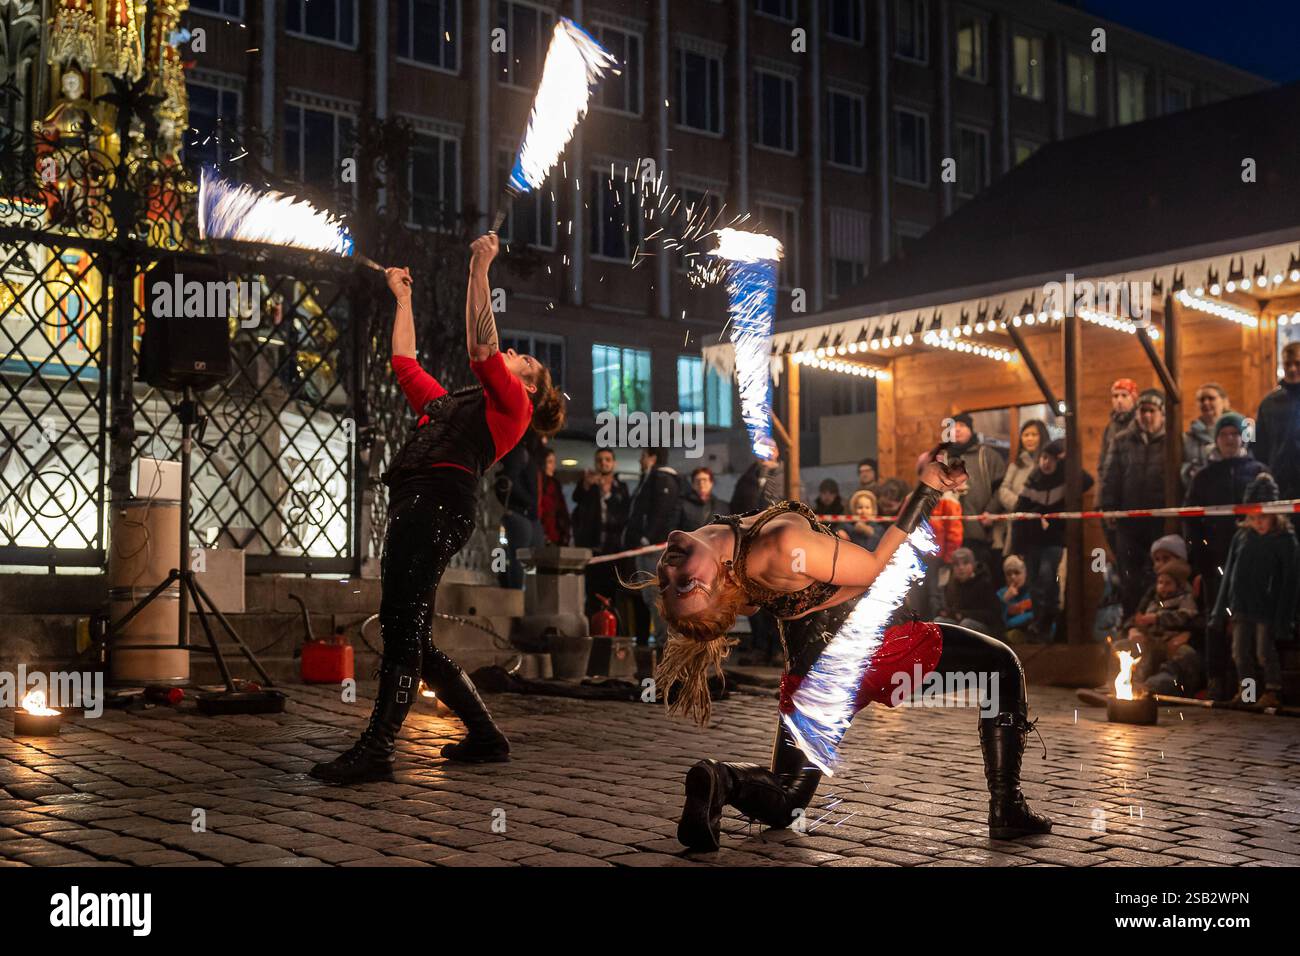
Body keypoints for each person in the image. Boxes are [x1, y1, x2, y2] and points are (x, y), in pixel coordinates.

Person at [640, 450, 1051, 850]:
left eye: (668, 583)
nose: (671, 569)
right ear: (724, 578)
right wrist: (927, 491)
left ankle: (721, 780)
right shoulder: (778, 546)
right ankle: (1008, 808)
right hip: (870, 652)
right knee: (1002, 666)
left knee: (787, 800)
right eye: (687, 585)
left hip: (815, 676)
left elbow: (781, 592)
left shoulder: (725, 542)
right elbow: (873, 566)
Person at [312, 234, 565, 783]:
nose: (515, 353)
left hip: (436, 506)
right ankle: (484, 735)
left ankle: (377, 749)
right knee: (415, 635)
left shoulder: (514, 406)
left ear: (530, 386)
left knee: (403, 629)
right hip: (417, 503)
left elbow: (482, 348)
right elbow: (404, 363)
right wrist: (402, 298)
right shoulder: (456, 402)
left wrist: (480, 265)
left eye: (526, 359)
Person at [1182, 412, 1266, 699]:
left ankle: (1253, 686)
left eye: (1234, 434)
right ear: (1216, 439)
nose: (1230, 439)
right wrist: (1198, 561)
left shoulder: (1257, 472)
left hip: (1251, 561)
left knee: (1252, 621)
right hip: (1214, 560)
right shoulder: (1203, 477)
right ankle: (1216, 680)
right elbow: (1191, 520)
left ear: (1242, 437)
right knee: (1215, 621)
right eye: (1224, 434)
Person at [1211, 473, 1298, 708]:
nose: (1259, 521)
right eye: (1254, 516)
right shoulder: (1242, 537)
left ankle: (1272, 691)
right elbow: (1229, 573)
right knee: (1240, 652)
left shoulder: (1284, 540)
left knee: (1263, 651)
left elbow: (1291, 580)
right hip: (1242, 604)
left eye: (1264, 517)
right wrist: (1219, 612)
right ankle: (1247, 693)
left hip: (1266, 608)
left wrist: (1285, 617)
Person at [1012, 439, 1094, 641]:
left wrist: (1067, 462)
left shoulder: (1065, 477)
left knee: (1048, 577)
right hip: (1033, 540)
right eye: (1043, 457)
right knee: (1033, 583)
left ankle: (1051, 620)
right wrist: (1018, 545)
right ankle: (1040, 623)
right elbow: (1018, 513)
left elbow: (1087, 480)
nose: (1046, 462)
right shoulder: (1033, 479)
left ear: (1058, 461)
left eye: (1051, 458)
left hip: (1055, 540)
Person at [1101, 388, 1169, 616]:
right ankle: (1131, 622)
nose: (1147, 416)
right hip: (1128, 522)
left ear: (1161, 413)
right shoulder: (1121, 440)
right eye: (1143, 411)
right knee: (1129, 575)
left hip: (1160, 522)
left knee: (1160, 574)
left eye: (1152, 411)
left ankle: (1157, 623)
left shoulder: (1173, 440)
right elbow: (1110, 476)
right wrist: (1108, 507)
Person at [1116, 559, 1203, 697]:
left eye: (1168, 583)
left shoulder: (1185, 599)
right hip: (1151, 641)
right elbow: (1137, 618)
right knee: (1123, 647)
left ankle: (1152, 688)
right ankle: (1121, 685)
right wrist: (1134, 628)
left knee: (1184, 657)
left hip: (1173, 640)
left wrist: (1158, 618)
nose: (1163, 587)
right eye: (1160, 583)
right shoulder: (1153, 600)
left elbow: (1185, 617)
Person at [624, 447, 684, 644]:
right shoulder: (651, 479)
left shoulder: (661, 479)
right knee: (650, 597)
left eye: (643, 456)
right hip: (647, 547)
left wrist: (647, 538)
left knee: (656, 596)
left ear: (652, 457)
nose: (640, 460)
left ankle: (664, 644)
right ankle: (662, 641)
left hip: (652, 549)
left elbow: (660, 511)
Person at [945, 412, 1007, 584]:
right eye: (953, 427)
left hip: (981, 531)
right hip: (950, 532)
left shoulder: (988, 455)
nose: (957, 430)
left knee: (982, 576)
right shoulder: (943, 458)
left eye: (962, 426)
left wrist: (990, 512)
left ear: (971, 430)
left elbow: (1001, 488)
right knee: (953, 580)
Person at [572, 448, 630, 616]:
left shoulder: (621, 487)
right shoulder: (588, 483)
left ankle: (611, 631)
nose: (603, 463)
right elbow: (576, 498)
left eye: (607, 459)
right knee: (592, 591)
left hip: (615, 548)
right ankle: (592, 628)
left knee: (613, 592)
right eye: (600, 460)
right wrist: (586, 484)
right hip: (594, 546)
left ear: (614, 463)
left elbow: (626, 511)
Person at [993, 419, 1050, 557]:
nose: (1029, 438)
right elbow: (1003, 490)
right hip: (1017, 527)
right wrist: (1020, 505)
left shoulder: (1049, 464)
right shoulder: (1016, 465)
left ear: (1042, 436)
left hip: (1042, 528)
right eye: (1026, 435)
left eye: (1034, 434)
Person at [1254, 341, 1300, 501]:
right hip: (1280, 480)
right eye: (1288, 363)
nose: (1293, 368)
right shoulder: (1269, 403)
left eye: (1298, 363)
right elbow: (1258, 442)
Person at [497, 432, 543, 588]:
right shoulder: (520, 453)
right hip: (521, 512)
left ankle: (524, 597)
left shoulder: (526, 454)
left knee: (529, 558)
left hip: (528, 514)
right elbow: (508, 482)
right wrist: (529, 501)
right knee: (519, 558)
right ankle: (517, 597)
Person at [1099, 378, 1139, 558]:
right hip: (1111, 499)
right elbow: (1102, 465)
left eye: (1124, 395)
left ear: (1134, 398)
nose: (1119, 400)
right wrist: (1102, 502)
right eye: (1115, 396)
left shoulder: (1139, 424)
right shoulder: (1110, 427)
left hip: (1133, 497)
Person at [937, 547, 1004, 638]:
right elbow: (954, 612)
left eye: (965, 563)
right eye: (957, 564)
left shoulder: (984, 583)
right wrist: (947, 613)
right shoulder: (952, 585)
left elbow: (993, 615)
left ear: (973, 565)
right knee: (939, 621)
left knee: (966, 624)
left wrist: (963, 615)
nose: (961, 568)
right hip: (962, 624)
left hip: (987, 629)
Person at [1181, 383, 1229, 490]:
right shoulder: (1187, 439)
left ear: (1224, 402)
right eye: (1202, 399)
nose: (1206, 403)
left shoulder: (1238, 433)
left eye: (1211, 398)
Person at [680, 466, 730, 532]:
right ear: (693, 484)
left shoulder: (723, 506)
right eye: (698, 480)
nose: (701, 484)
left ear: (711, 483)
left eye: (705, 480)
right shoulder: (682, 505)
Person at [998, 555, 1034, 642]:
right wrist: (1005, 599)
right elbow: (997, 623)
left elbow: (1037, 616)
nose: (1013, 577)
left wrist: (1012, 622)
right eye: (1008, 574)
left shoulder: (1034, 593)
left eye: (1017, 573)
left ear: (1025, 574)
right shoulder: (1001, 593)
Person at [538, 447, 570, 545]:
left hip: (555, 529)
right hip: (544, 527)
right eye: (549, 462)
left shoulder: (555, 483)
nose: (553, 466)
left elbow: (560, 507)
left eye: (554, 462)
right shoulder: (540, 482)